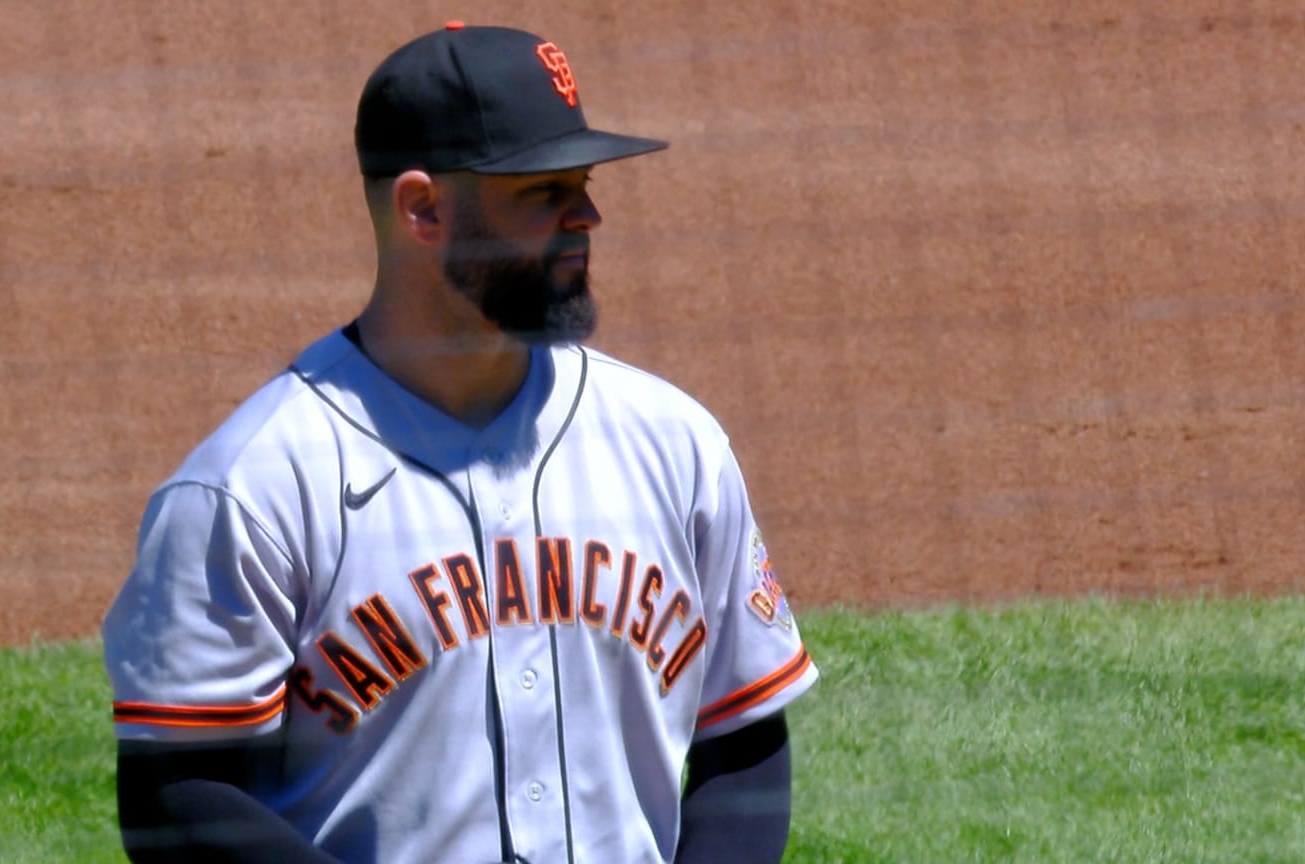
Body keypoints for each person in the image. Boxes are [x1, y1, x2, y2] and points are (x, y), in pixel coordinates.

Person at [102, 22, 819, 864]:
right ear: (423, 208)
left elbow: (743, 735)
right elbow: (179, 800)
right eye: (543, 190)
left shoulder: (673, 444)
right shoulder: (254, 486)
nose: (588, 214)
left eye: (581, 181)